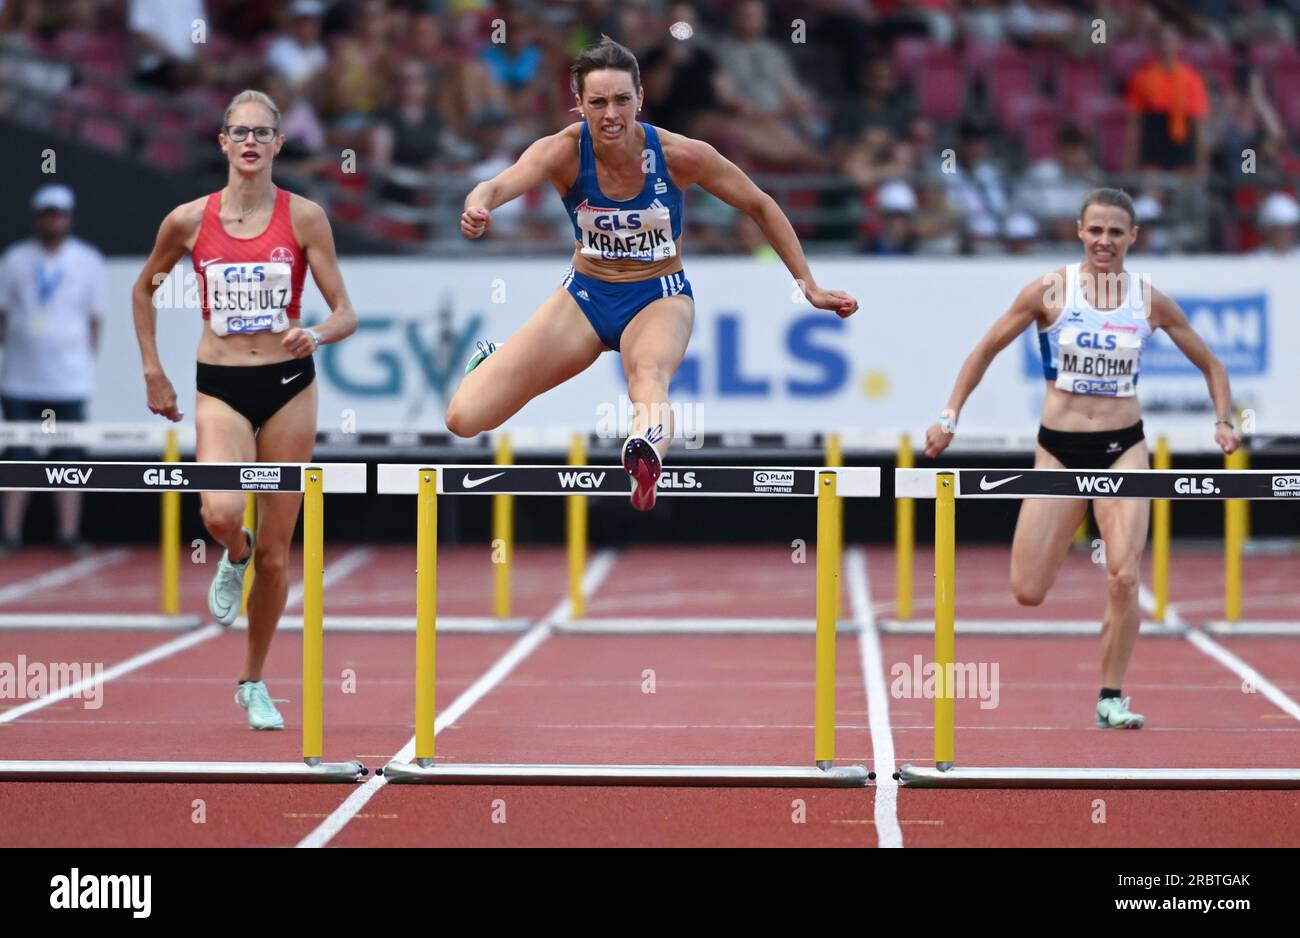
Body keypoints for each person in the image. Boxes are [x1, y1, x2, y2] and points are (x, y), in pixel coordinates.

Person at [445, 37, 857, 511]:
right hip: (584, 297)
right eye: (597, 102)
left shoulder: (681, 154)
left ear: (640, 99)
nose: (611, 114)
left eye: (622, 100)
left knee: (648, 372)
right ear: (578, 105)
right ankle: (492, 361)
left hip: (658, 295)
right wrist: (477, 207)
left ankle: (644, 454)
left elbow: (759, 204)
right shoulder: (561, 152)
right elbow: (495, 184)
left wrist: (807, 283)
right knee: (464, 419)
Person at [923, 188, 1239, 729]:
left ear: (1133, 238)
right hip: (1059, 451)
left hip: (1123, 449)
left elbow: (1211, 363)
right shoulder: (1050, 291)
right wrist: (950, 415)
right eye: (1096, 230)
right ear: (1079, 231)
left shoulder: (1149, 301)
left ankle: (1111, 695)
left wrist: (1224, 420)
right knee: (1028, 590)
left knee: (1122, 575)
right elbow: (984, 350)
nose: (1104, 241)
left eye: (1116, 232)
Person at [131, 90, 357, 730]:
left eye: (264, 132)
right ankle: (234, 551)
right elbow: (142, 290)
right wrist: (153, 368)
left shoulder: (307, 216)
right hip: (221, 384)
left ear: (280, 145)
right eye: (240, 132)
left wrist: (315, 332)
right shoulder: (187, 221)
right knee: (220, 511)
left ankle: (253, 681)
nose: (252, 141)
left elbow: (346, 312)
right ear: (223, 143)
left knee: (280, 556)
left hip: (289, 385)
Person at [0, 184, 107, 555]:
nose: (52, 220)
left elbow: (95, 319)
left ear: (69, 217)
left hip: (68, 380)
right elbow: (3, 314)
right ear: (37, 217)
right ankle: (11, 533)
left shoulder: (87, 260)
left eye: (58, 214)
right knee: (18, 456)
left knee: (71, 458)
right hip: (20, 379)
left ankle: (68, 531)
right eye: (47, 214)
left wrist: (81, 360)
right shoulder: (15, 259)